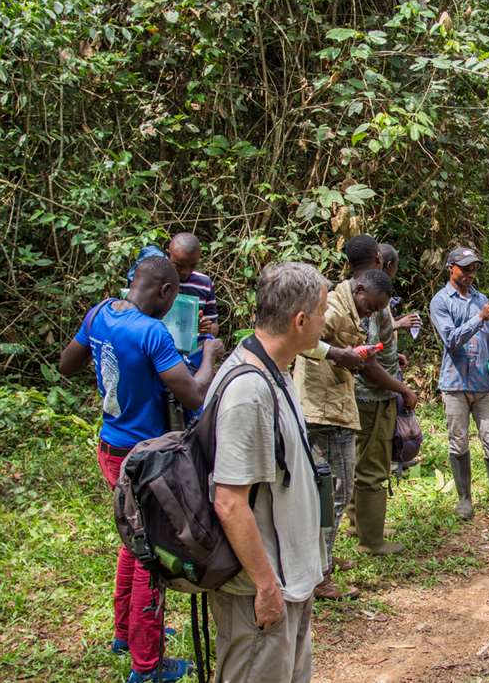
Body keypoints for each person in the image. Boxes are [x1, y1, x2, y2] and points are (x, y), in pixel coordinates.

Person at [59, 256, 224, 683]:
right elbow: (193, 395)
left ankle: (123, 632)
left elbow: (66, 365)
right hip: (144, 458)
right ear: (166, 292)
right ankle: (146, 664)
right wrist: (210, 355)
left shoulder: (99, 313)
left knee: (132, 539)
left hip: (110, 445)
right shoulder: (152, 332)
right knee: (151, 550)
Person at [208, 262, 328, 683]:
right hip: (261, 591)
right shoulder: (248, 390)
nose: (324, 322)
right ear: (300, 320)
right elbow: (228, 501)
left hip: (289, 580)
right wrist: (265, 586)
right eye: (322, 312)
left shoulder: (276, 372)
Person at [292, 236, 404, 600]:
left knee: (327, 489)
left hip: (335, 404)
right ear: (359, 289)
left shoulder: (347, 301)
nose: (371, 314)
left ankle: (321, 559)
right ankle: (319, 576)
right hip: (323, 409)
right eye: (370, 307)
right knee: (334, 491)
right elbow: (302, 341)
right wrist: (341, 354)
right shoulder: (332, 306)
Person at [430, 247, 489, 522]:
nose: (470, 274)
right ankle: (464, 500)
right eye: (465, 268)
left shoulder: (480, 299)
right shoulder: (441, 302)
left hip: (484, 384)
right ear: (451, 268)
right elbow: (451, 340)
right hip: (455, 384)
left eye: (474, 269)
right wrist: (479, 317)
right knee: (458, 441)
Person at [351, 243, 419, 558]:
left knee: (362, 460)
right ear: (379, 261)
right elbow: (365, 362)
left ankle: (361, 523)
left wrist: (393, 355)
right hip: (371, 397)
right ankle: (372, 539)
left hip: (371, 393)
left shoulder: (361, 291)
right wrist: (402, 389)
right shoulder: (369, 297)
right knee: (373, 467)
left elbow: (373, 346)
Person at [167, 232, 220, 338]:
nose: (185, 272)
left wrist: (207, 328)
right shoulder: (157, 279)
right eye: (179, 265)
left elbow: (214, 325)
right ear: (169, 255)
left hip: (191, 348)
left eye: (192, 265)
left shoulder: (204, 283)